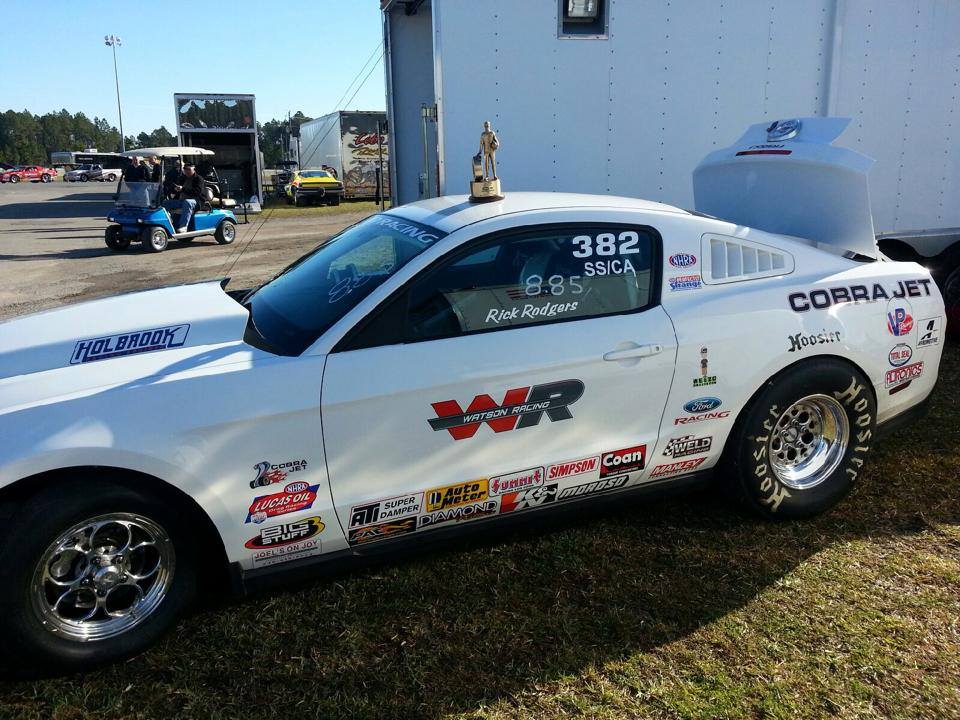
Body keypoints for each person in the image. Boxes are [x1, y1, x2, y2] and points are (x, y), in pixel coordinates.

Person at [170, 163, 205, 233]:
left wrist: (183, 189)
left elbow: (197, 192)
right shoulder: (183, 178)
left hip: (196, 201)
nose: (187, 171)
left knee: (187, 202)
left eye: (189, 169)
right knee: (166, 203)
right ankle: (166, 223)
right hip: (182, 200)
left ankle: (183, 226)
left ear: (194, 170)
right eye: (185, 169)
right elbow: (179, 190)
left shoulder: (199, 179)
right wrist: (175, 189)